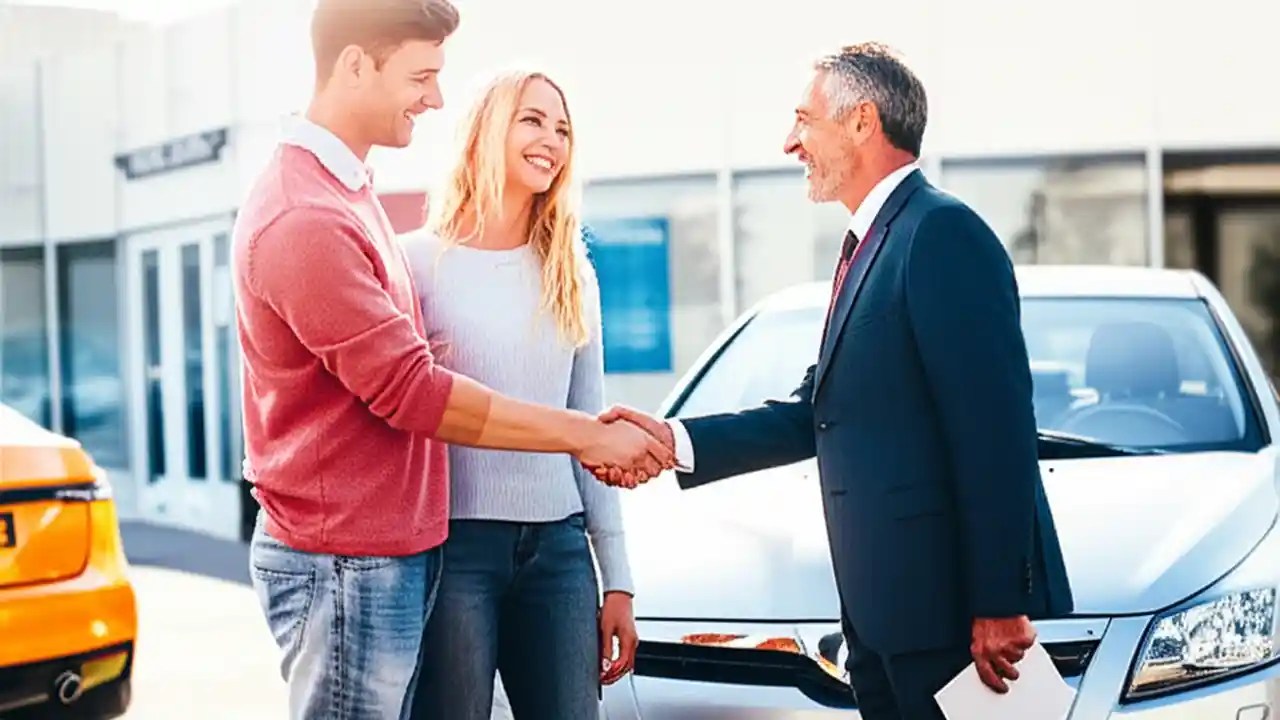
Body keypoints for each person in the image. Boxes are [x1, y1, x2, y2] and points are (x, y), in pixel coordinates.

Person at [596, 42, 1074, 720]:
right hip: (882, 621)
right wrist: (672, 439)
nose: (791, 143)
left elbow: (994, 432)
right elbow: (816, 412)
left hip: (948, 623)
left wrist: (1000, 601)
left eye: (803, 119)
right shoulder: (874, 244)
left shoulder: (941, 234)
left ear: (861, 121)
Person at [231, 2, 671, 718]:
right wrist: (587, 434)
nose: (434, 96)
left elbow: (578, 410)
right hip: (398, 552)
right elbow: (413, 392)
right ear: (356, 65)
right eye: (422, 76)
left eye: (562, 127)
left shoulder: (355, 197)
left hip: (461, 552)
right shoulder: (323, 221)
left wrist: (613, 571)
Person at [401, 68, 636, 720]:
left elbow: (591, 430)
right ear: (487, 129)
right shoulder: (414, 264)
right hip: (453, 550)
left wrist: (617, 578)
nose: (552, 140)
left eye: (562, 128)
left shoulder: (570, 272)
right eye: (533, 119)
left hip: (559, 554)